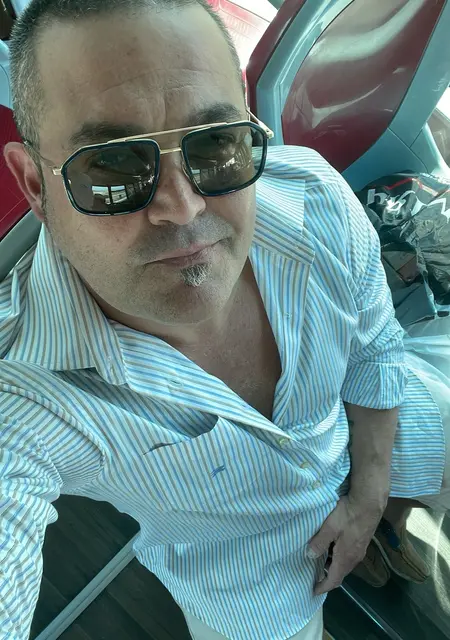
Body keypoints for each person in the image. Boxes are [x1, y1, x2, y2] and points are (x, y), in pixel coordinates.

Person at [0, 0, 446, 638]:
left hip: (373, 432)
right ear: (34, 185)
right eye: (113, 166)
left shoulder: (313, 198)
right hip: (251, 573)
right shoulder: (21, 394)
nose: (183, 209)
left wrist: (370, 496)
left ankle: (389, 526)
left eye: (214, 143)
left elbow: (374, 347)